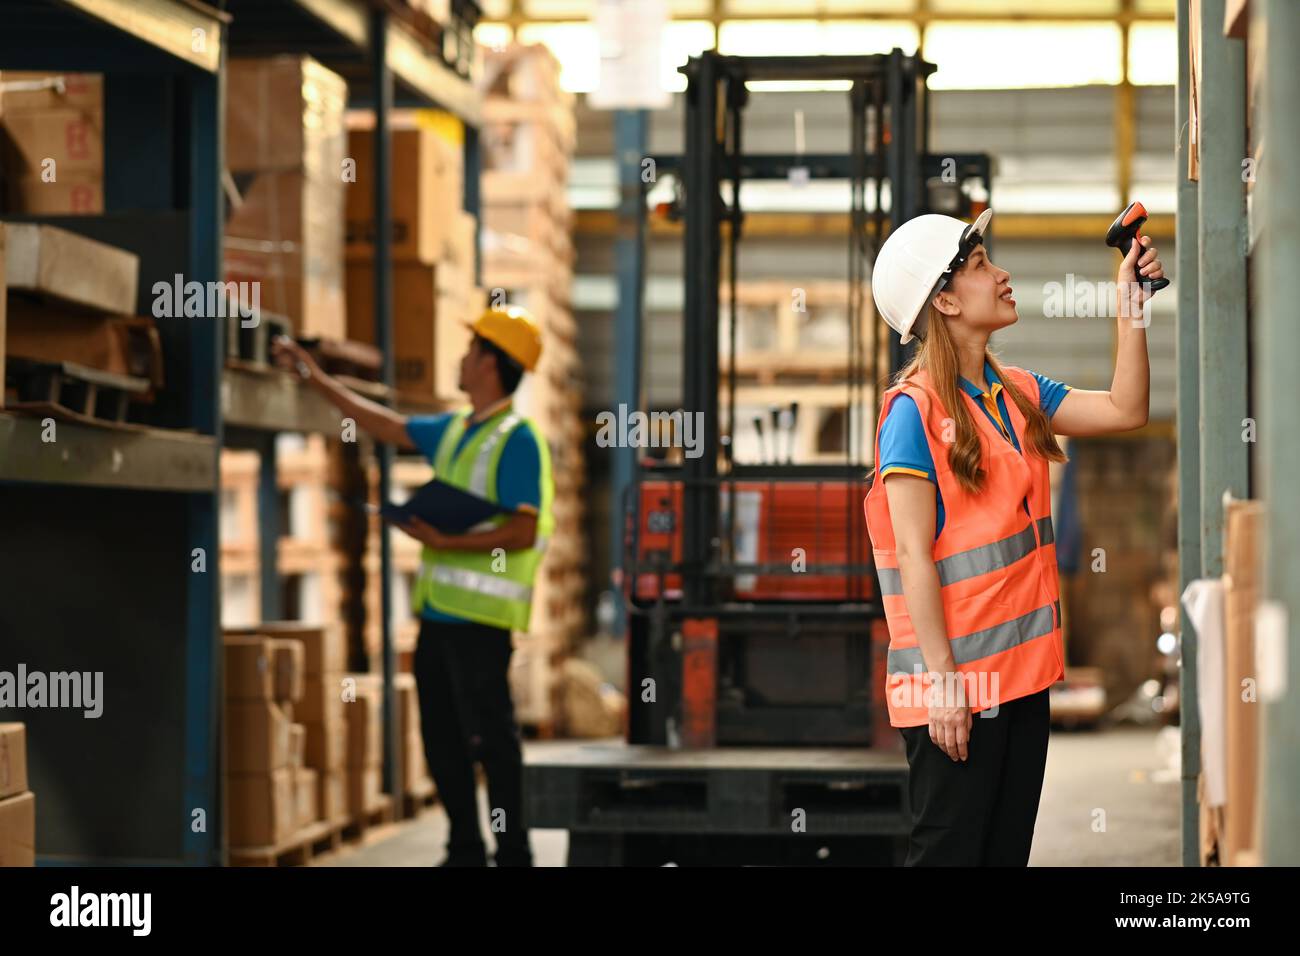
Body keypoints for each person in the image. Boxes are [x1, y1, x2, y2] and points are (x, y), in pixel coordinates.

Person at [862, 208, 1163, 866]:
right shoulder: (912, 413)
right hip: (953, 691)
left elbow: (1124, 409)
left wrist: (1132, 305)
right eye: (978, 267)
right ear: (943, 300)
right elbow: (913, 554)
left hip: (1021, 683)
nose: (1001, 275)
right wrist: (943, 686)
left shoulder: (1016, 392)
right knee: (948, 855)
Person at [272, 305, 554, 867]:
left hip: (483, 623)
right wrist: (314, 376)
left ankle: (515, 852)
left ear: (492, 365)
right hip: (439, 617)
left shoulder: (517, 439)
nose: (462, 358)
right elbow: (382, 423)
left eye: (472, 350)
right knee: (442, 739)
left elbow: (523, 530)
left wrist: (450, 543)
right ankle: (465, 848)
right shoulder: (454, 430)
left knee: (493, 743)